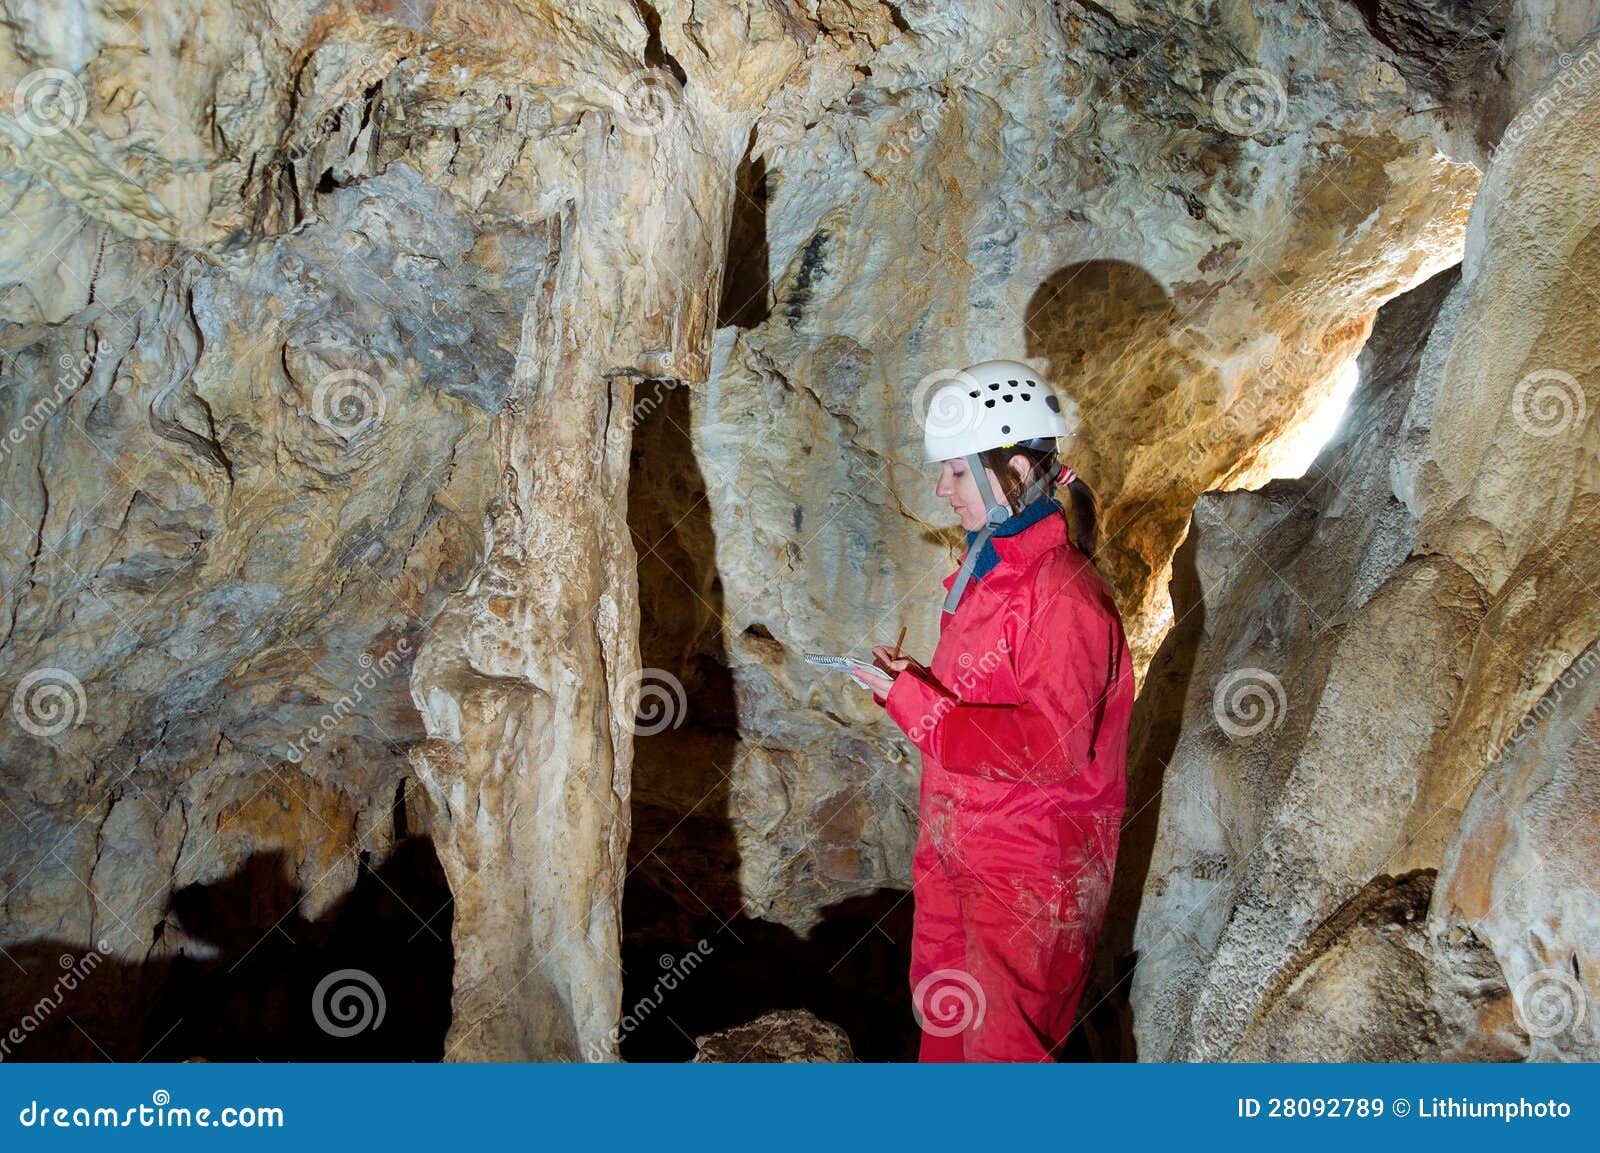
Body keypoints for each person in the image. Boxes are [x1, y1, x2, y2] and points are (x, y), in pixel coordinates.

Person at [848, 358, 1135, 1062]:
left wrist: (917, 704)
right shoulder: (989, 574)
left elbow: (1050, 745)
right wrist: (909, 683)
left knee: (1001, 1057)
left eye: (954, 472)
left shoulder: (1064, 593)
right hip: (960, 849)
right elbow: (980, 708)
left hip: (1030, 872)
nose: (942, 489)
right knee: (946, 1039)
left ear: (1009, 470)